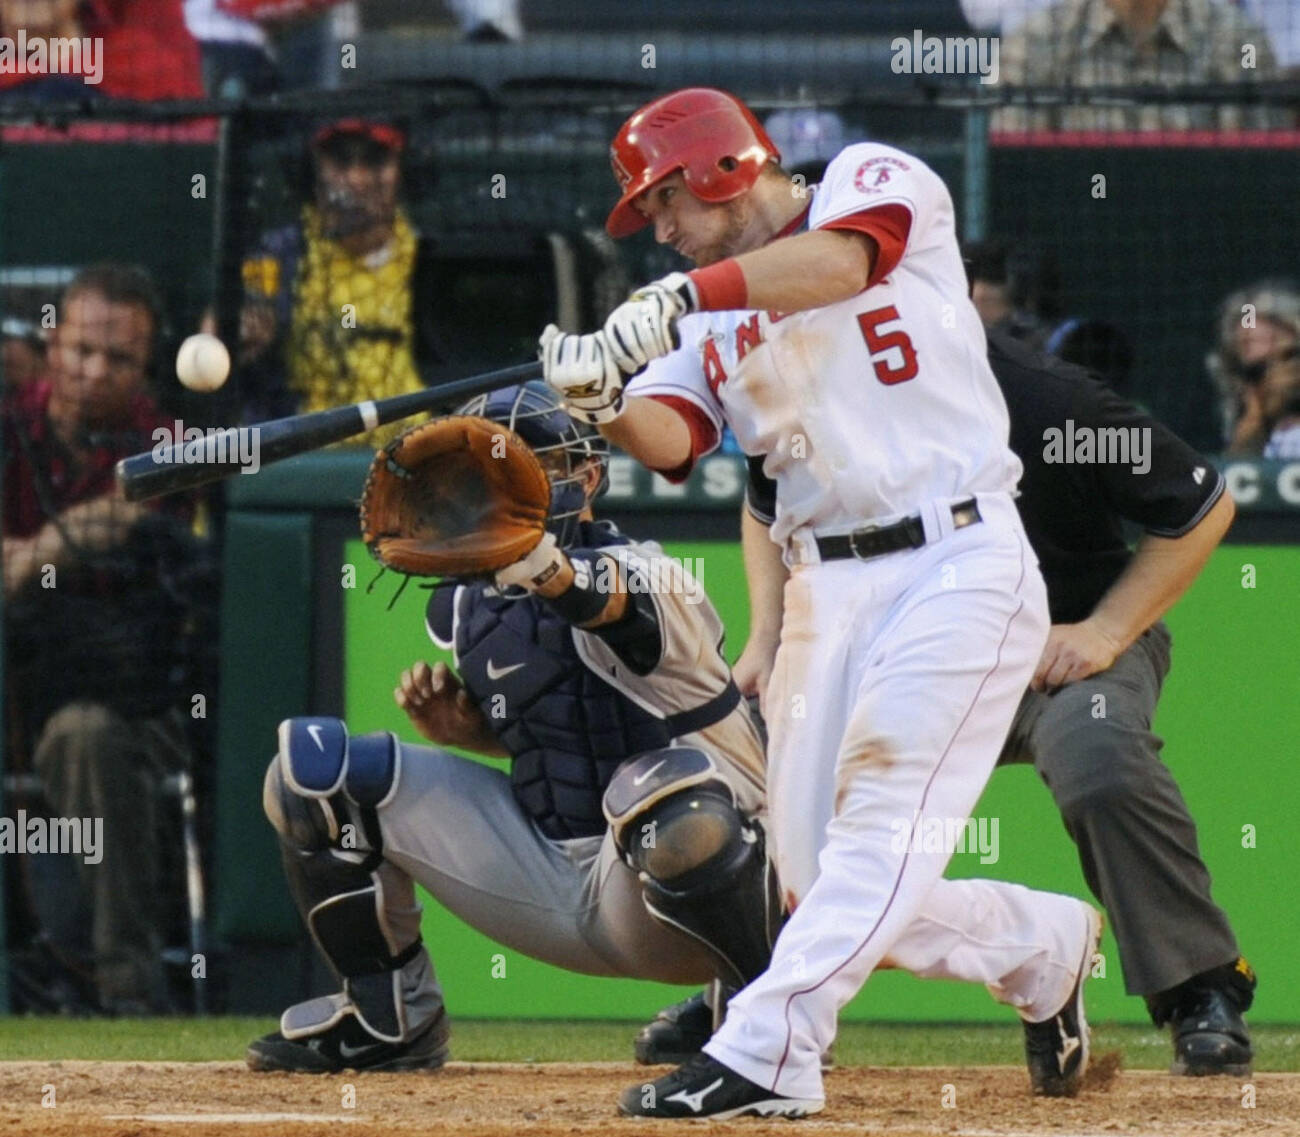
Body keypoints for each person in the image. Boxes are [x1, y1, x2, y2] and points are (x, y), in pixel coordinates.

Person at [541, 87, 1101, 1119]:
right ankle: (1042, 941)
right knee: (811, 885)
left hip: (957, 559)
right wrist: (603, 401)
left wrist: (683, 296)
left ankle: (769, 1049)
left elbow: (845, 263)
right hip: (824, 593)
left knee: (878, 831)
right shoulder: (702, 309)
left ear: (720, 166)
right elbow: (674, 435)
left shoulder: (869, 182)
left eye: (663, 198)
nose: (655, 227)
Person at [712, 326, 1255, 1078]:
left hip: (1054, 650)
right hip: (903, 656)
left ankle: (1201, 988)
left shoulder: (1050, 403)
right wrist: (767, 638)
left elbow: (1201, 502)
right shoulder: (829, 384)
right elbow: (767, 504)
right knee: (764, 750)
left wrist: (1106, 628)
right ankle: (751, 990)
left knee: (1097, 757)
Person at [245, 382, 780, 1073]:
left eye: (533, 464)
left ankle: (756, 1016)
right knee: (311, 775)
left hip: (681, 888)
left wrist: (542, 566)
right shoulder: (466, 605)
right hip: (544, 874)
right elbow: (576, 731)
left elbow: (608, 609)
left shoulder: (649, 573)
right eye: (491, 468)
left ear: (587, 479)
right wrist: (472, 732)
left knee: (664, 799)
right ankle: (390, 1016)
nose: (506, 481)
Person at [2, 263, 201, 1015]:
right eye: (82, 349)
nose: (93, 371)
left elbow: (129, 510)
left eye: (117, 359)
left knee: (84, 738)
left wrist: (38, 547)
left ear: (145, 367)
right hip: (19, 683)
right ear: (53, 344)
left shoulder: (167, 439)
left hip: (132, 704)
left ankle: (127, 990)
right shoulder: (11, 424)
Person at [234, 118, 442, 445]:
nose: (356, 180)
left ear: (404, 172)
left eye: (374, 162)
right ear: (312, 171)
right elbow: (223, 331)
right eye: (341, 162)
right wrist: (242, 336)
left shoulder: (432, 258)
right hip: (307, 459)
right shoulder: (278, 255)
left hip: (417, 451)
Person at [993, 0, 1279, 133]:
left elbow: (1255, 186)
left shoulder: (1239, 41)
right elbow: (1023, 187)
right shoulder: (1034, 44)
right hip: (1072, 243)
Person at [1210, 280, 1300, 459]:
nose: (1249, 336)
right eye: (1259, 370)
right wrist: (1259, 415)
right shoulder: (1248, 408)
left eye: (1289, 356)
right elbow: (1237, 471)